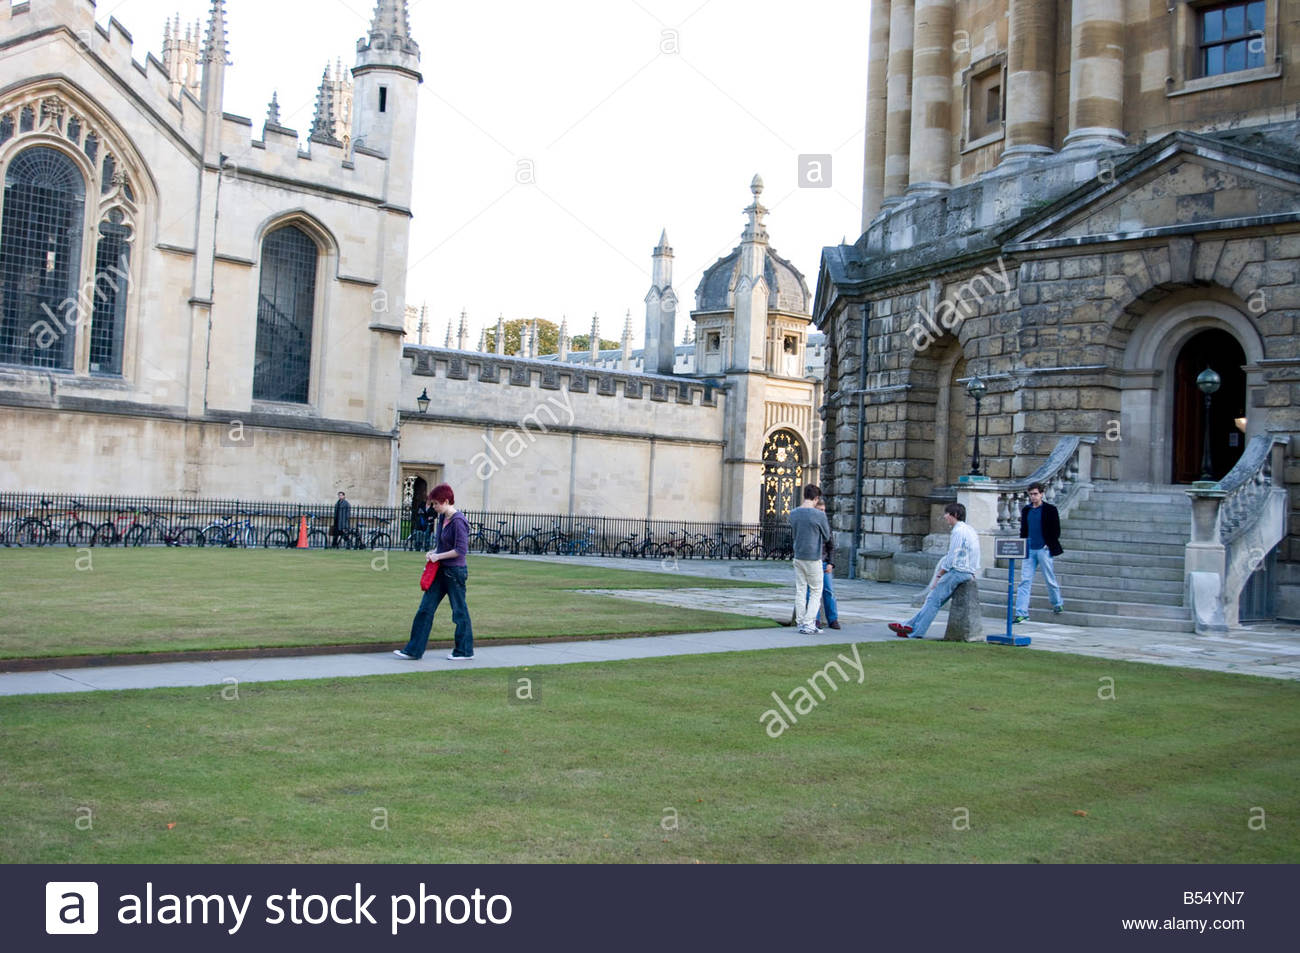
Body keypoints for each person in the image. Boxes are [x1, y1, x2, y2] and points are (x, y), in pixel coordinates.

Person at [394, 484, 475, 660]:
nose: (434, 507)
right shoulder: (442, 519)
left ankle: (464, 651)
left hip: (455, 572)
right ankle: (413, 650)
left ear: (446, 501)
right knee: (425, 609)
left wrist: (438, 557)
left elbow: (460, 550)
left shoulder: (458, 521)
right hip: (440, 571)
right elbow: (441, 545)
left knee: (459, 612)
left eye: (436, 504)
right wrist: (433, 552)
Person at [889, 502, 980, 639]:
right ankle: (909, 624)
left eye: (947, 514)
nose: (945, 517)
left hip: (957, 571)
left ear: (954, 515)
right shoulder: (969, 529)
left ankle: (916, 632)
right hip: (967, 571)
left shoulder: (957, 531)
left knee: (932, 601)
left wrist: (940, 574)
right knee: (934, 601)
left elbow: (952, 556)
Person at [780, 497, 840, 629]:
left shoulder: (822, 522)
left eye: (824, 510)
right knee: (810, 592)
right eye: (820, 510)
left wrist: (831, 563)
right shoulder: (810, 521)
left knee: (827, 591)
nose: (822, 513)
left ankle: (832, 619)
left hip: (823, 561)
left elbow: (831, 545)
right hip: (812, 560)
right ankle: (812, 620)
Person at [1015, 482, 1065, 622]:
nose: (1033, 497)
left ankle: (1057, 603)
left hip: (1044, 548)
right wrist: (1023, 544)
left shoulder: (1050, 509)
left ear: (1042, 494)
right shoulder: (1026, 510)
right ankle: (1021, 612)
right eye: (1031, 494)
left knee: (1049, 578)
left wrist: (1048, 544)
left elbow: (1056, 530)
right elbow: (1023, 530)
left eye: (1035, 494)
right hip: (1029, 549)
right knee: (1024, 581)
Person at [788, 484, 831, 635]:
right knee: (816, 590)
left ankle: (800, 621)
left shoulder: (793, 513)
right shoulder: (819, 515)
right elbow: (826, 535)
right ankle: (808, 623)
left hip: (798, 554)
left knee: (800, 589)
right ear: (816, 498)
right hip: (813, 556)